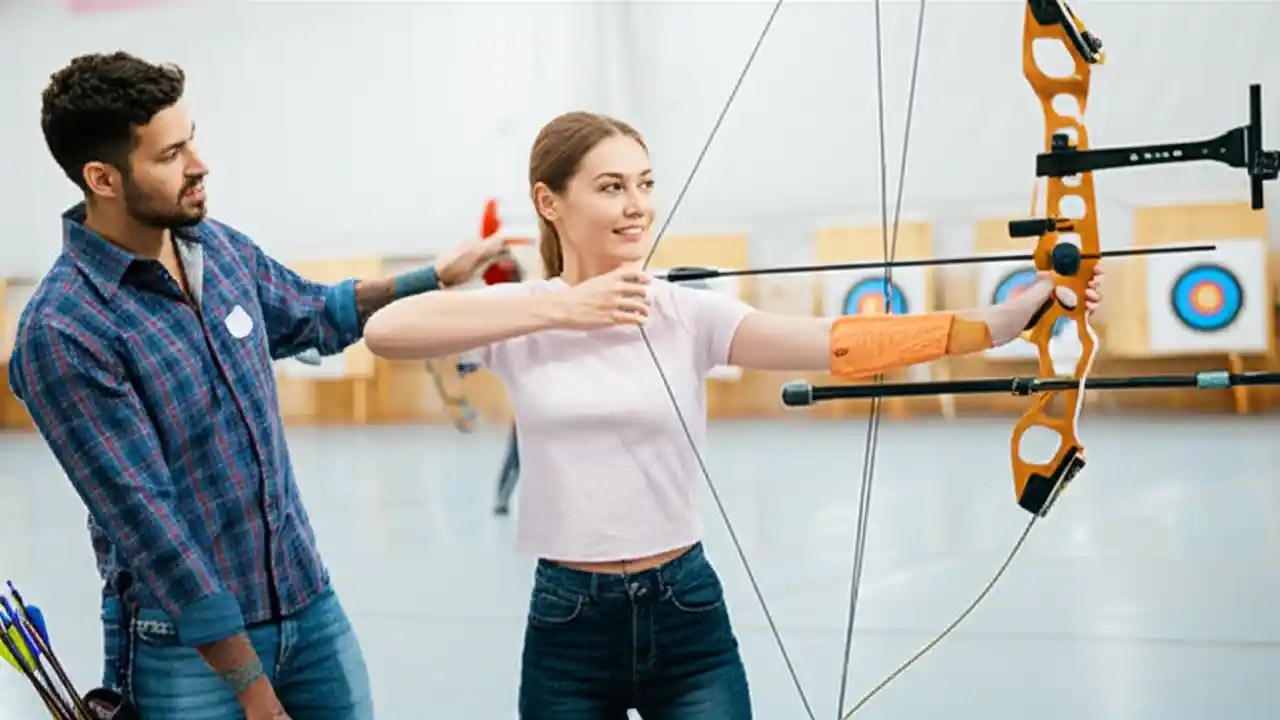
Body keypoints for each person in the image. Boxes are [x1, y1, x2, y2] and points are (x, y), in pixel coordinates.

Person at [360, 110, 1104, 718]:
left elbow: (837, 343)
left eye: (646, 185)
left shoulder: (685, 312)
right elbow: (385, 332)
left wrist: (997, 325)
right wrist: (559, 305)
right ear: (551, 201)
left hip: (685, 606)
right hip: (568, 621)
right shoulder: (519, 315)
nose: (636, 205)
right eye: (611, 186)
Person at [8, 51, 511, 720]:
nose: (199, 163)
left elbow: (316, 312)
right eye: (170, 154)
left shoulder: (215, 248)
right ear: (102, 177)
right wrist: (250, 683)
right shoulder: (65, 330)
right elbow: (151, 526)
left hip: (308, 607)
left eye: (193, 139)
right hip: (189, 656)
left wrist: (435, 276)